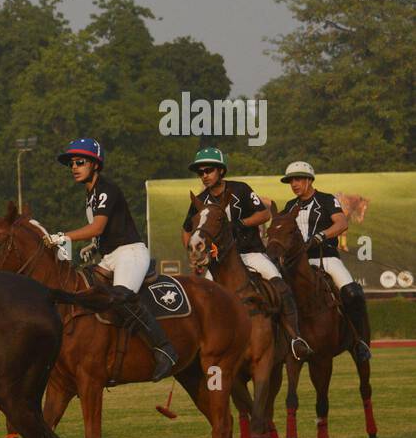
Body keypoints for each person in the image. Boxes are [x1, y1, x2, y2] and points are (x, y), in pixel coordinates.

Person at [43, 138, 177, 381]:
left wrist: (62, 237)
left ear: (95, 164)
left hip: (130, 253)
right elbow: (103, 232)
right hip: (110, 256)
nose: (74, 167)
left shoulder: (106, 189)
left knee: (120, 299)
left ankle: (164, 349)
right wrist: (94, 247)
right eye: (72, 163)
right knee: (87, 290)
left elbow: (97, 227)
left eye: (80, 162)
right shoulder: (91, 195)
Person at [182, 147, 311, 360]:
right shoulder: (200, 200)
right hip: (219, 260)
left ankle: (295, 338)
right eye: (200, 172)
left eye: (209, 170)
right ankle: (201, 347)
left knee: (280, 285)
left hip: (251, 252)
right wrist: (193, 252)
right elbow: (187, 229)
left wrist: (238, 224)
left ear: (221, 171)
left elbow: (264, 213)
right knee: (203, 298)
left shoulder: (240, 189)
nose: (204, 175)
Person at [282, 160, 372, 362]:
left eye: (298, 179)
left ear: (309, 180)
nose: (294, 184)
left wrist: (320, 236)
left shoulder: (325, 199)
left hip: (326, 258)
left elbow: (341, 223)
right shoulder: (290, 206)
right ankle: (285, 341)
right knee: (276, 293)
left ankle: (360, 342)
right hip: (297, 264)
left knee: (352, 292)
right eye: (291, 181)